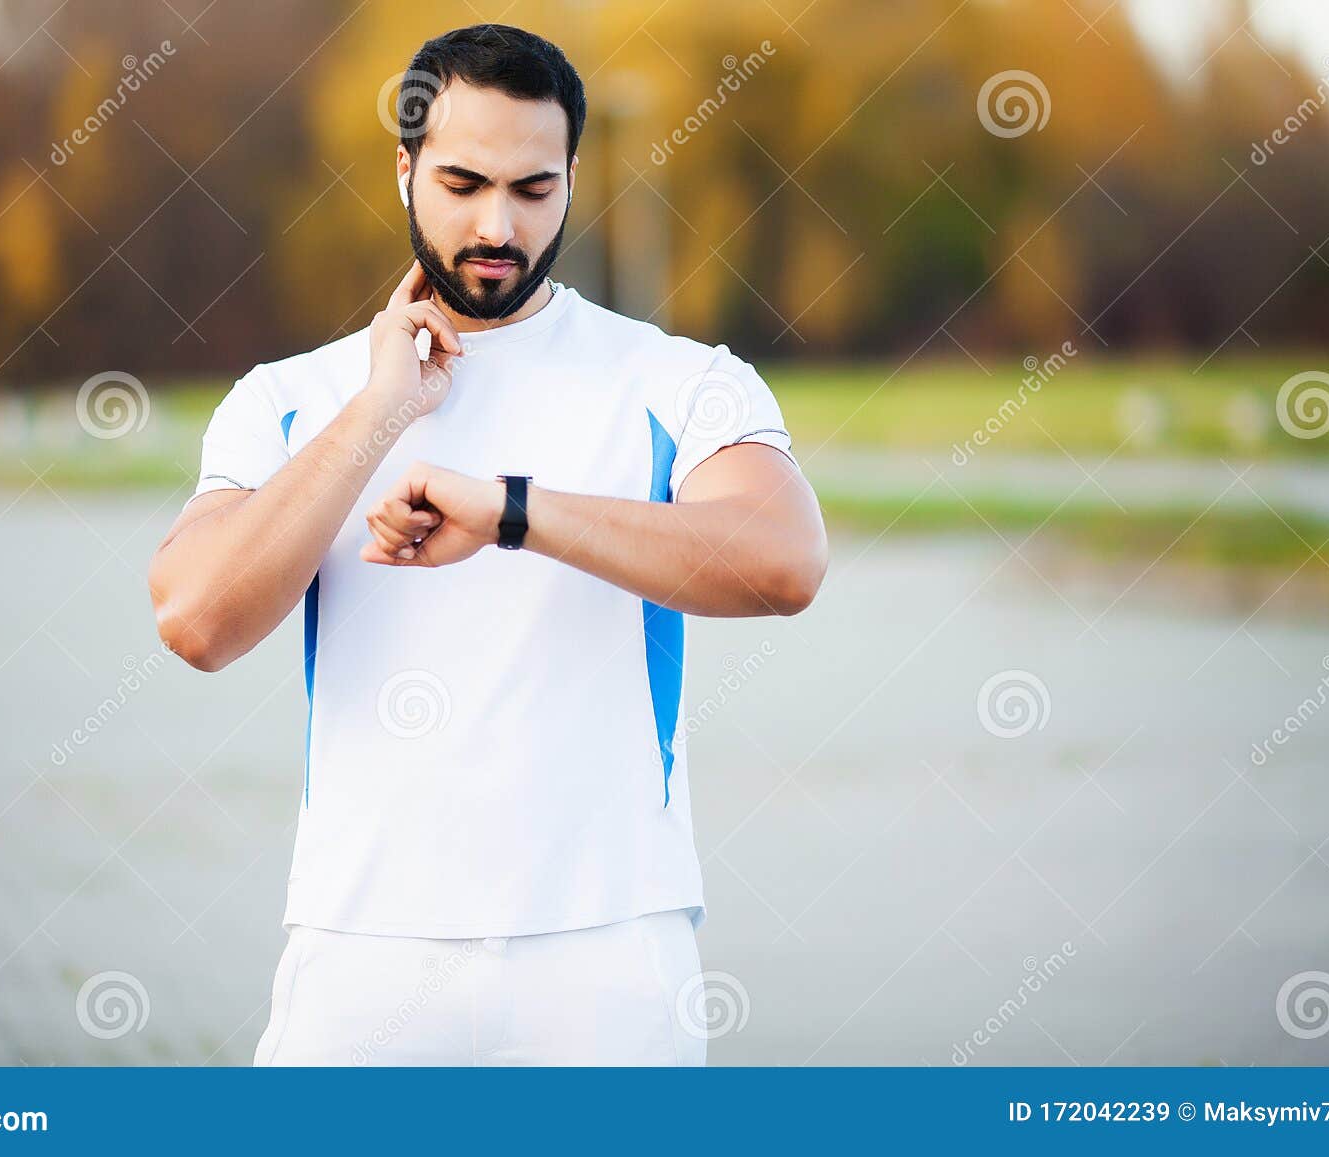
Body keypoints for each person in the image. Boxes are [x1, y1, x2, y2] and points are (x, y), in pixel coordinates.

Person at [148, 23, 828, 1066]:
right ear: (405, 167)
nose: (497, 224)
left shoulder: (678, 378)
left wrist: (514, 510)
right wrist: (380, 413)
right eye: (463, 183)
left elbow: (782, 563)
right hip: (361, 948)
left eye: (533, 188)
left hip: (609, 951)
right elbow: (196, 619)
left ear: (571, 178)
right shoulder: (290, 399)